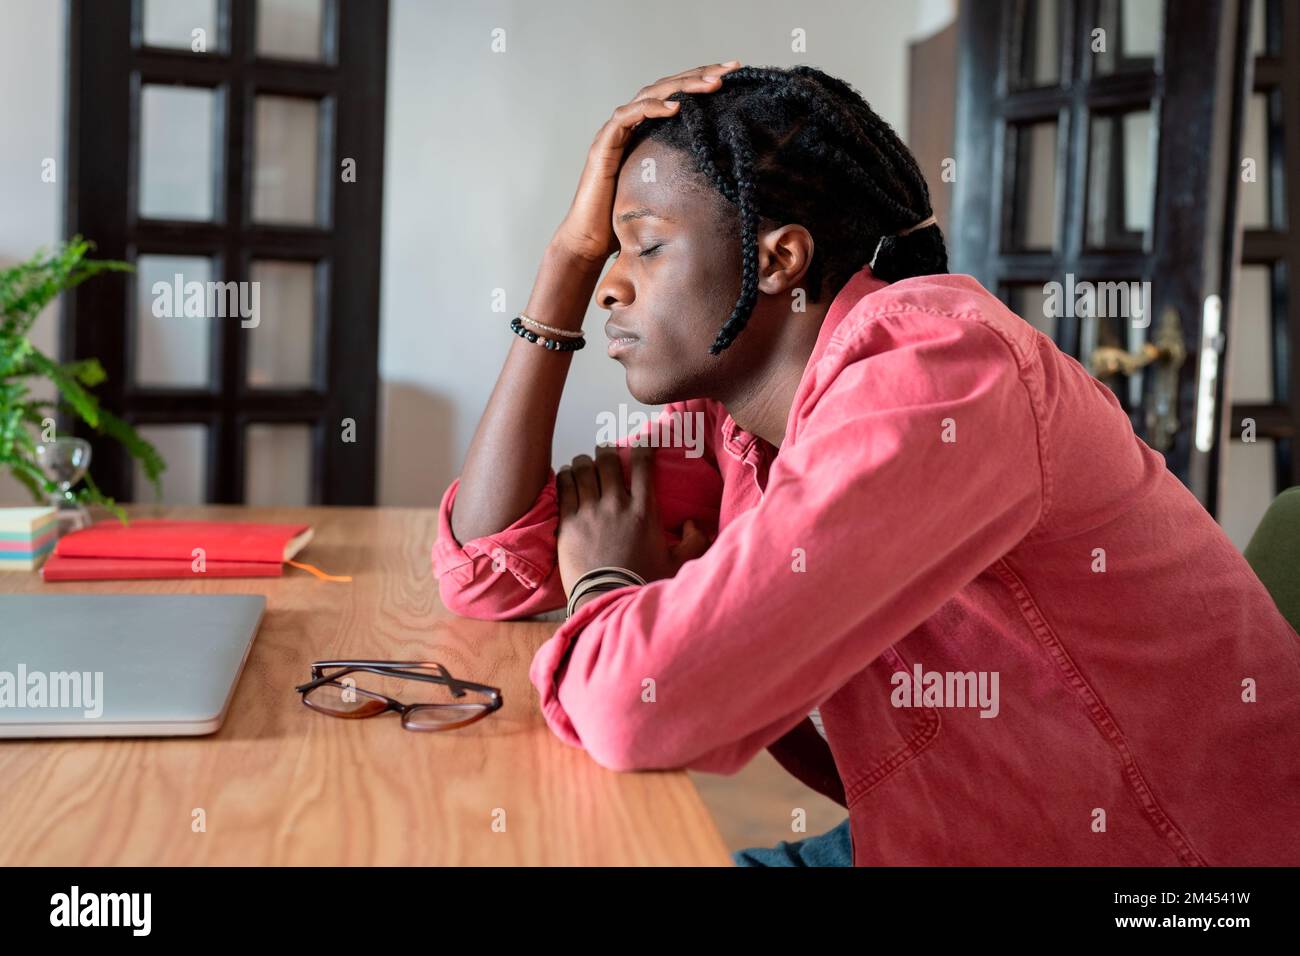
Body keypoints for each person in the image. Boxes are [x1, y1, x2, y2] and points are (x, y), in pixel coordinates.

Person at [434, 62, 1300, 865]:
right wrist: (564, 262)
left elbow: (636, 704)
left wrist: (606, 583)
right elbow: (484, 571)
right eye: (606, 254)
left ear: (780, 260)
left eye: (643, 246)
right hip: (937, 830)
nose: (611, 286)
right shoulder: (737, 421)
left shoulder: (939, 376)